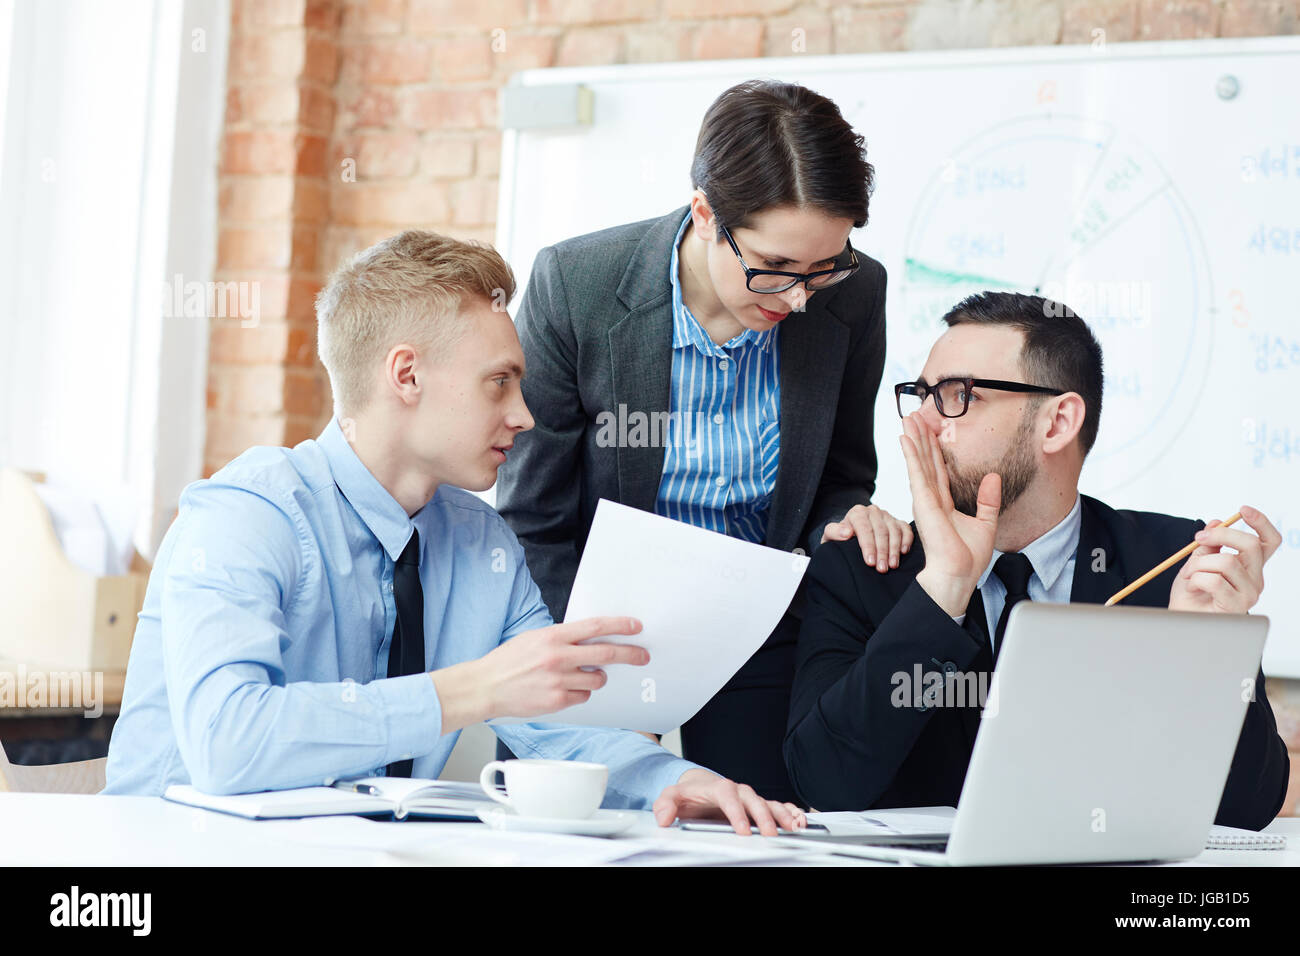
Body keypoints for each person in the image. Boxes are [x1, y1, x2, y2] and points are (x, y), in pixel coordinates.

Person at [102, 230, 806, 835]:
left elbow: (553, 718)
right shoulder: (243, 515)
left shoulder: (482, 542)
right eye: (499, 383)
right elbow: (230, 742)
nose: (526, 415)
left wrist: (669, 783)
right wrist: (471, 690)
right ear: (405, 375)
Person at [494, 80, 912, 804]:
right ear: (705, 213)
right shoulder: (577, 285)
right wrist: (592, 661)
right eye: (775, 269)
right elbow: (535, 516)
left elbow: (842, 473)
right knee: (584, 829)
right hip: (599, 623)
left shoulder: (854, 291)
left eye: (823, 268)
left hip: (763, 625)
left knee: (765, 830)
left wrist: (848, 516)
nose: (799, 299)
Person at [784, 291, 1289, 830]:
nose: (923, 424)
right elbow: (822, 785)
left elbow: (1245, 809)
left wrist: (1205, 657)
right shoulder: (863, 566)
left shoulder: (1172, 565)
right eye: (921, 395)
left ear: (1058, 422)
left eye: (958, 395)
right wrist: (943, 591)